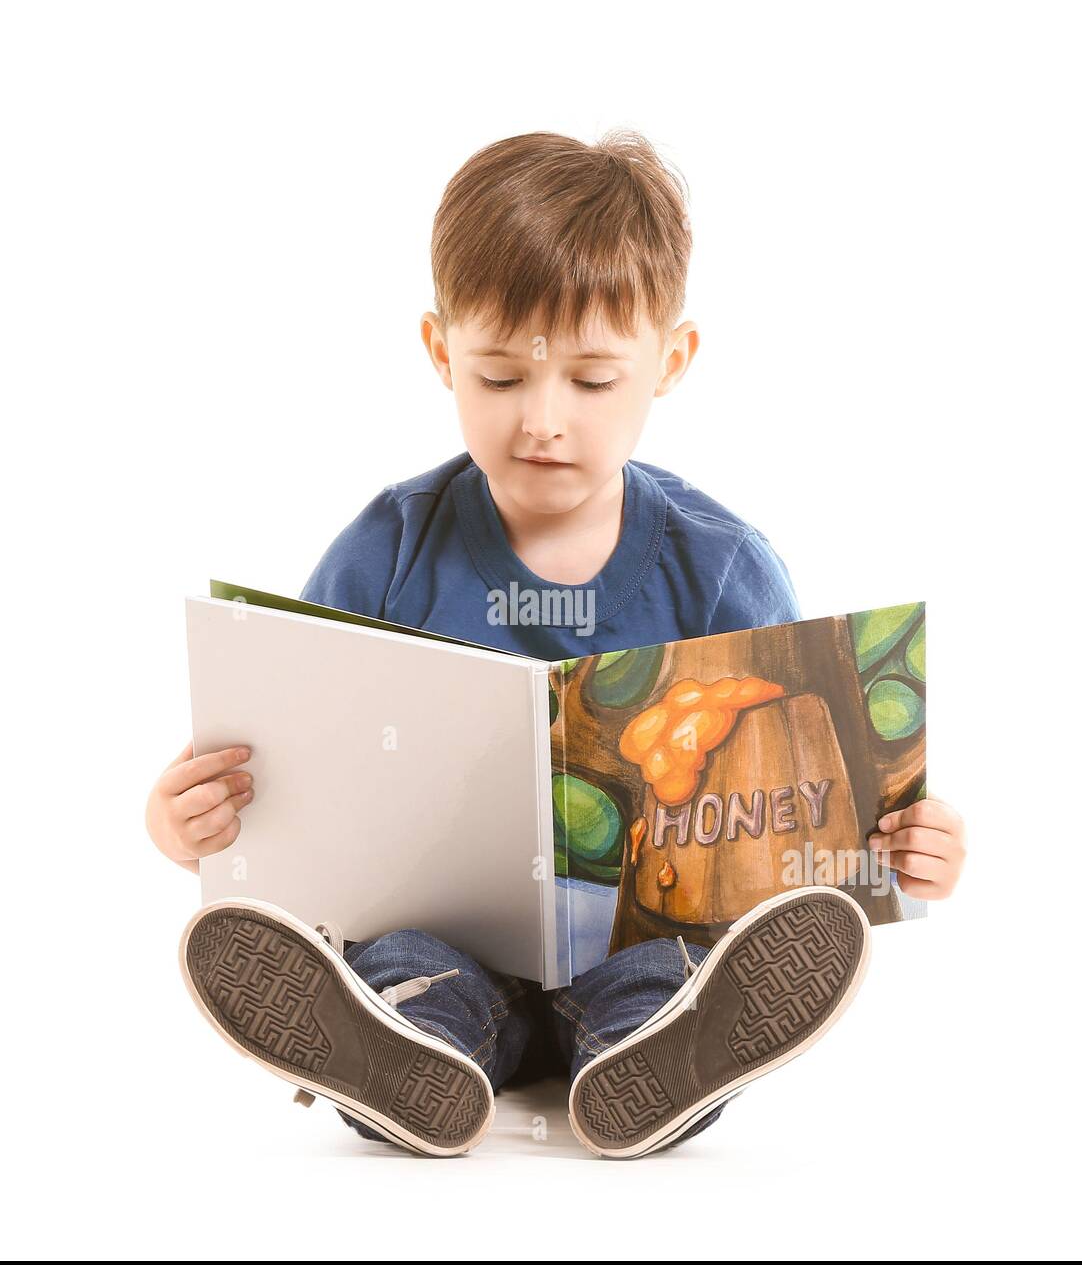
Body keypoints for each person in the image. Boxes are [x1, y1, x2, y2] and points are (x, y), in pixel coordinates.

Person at [148, 131, 967, 1158]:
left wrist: (899, 847)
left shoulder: (719, 568)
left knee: (661, 978)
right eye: (498, 377)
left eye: (589, 381)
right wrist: (199, 829)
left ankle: (657, 1057)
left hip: (636, 945)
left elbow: (810, 783)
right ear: (440, 350)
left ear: (668, 362)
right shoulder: (385, 552)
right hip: (444, 940)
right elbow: (295, 764)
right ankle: (398, 1049)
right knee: (407, 967)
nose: (542, 420)